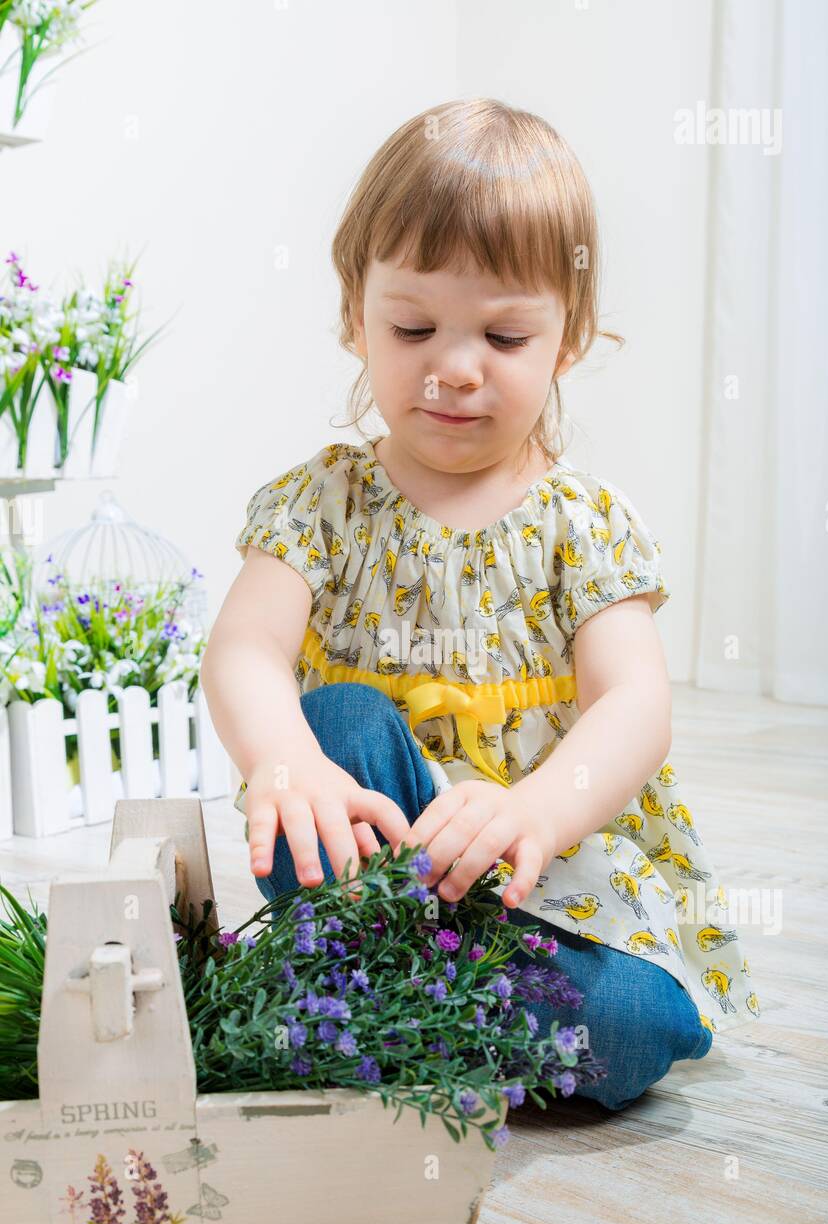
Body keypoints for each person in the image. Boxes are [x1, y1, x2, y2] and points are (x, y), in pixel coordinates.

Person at [201, 97, 761, 1114]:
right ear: (352, 316)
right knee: (330, 725)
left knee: (634, 1025)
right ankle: (418, 1001)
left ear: (568, 338)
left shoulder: (579, 520)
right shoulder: (320, 501)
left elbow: (634, 702)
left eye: (503, 335)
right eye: (412, 326)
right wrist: (284, 761)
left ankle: (385, 1014)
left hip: (534, 887)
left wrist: (535, 807)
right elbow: (243, 647)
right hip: (380, 857)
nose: (454, 367)